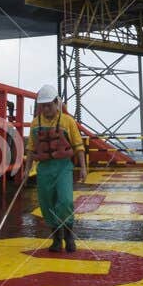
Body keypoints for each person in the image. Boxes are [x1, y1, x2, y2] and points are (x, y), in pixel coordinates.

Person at [31, 84, 87, 252]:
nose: (46, 108)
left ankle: (69, 235)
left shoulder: (68, 121)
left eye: (49, 105)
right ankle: (56, 238)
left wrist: (83, 168)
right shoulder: (35, 123)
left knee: (65, 201)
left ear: (57, 103)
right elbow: (31, 149)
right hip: (44, 169)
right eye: (43, 106)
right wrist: (26, 169)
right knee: (47, 204)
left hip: (63, 167)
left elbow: (78, 146)